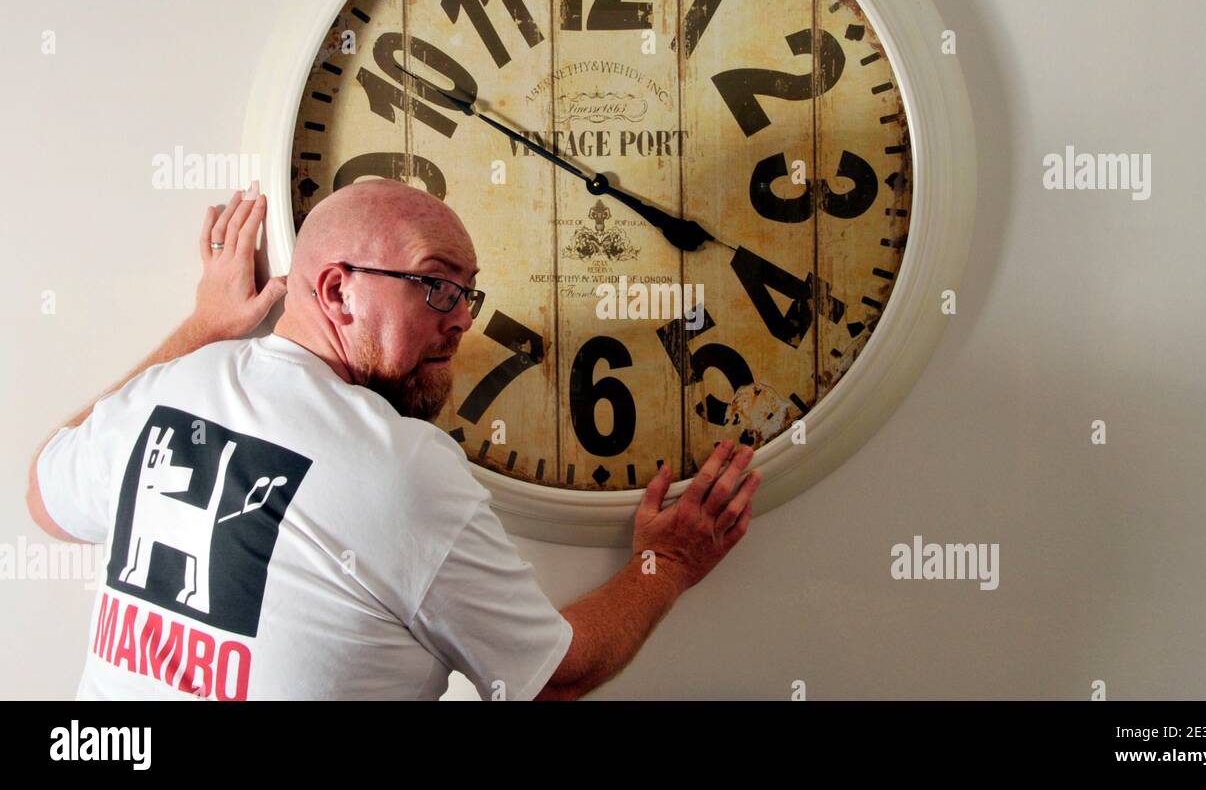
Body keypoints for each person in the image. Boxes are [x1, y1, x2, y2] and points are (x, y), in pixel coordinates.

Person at [26, 178, 760, 700]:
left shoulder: (169, 389)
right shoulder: (402, 467)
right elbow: (549, 677)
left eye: (468, 293)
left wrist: (205, 328)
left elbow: (44, 497)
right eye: (437, 285)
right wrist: (668, 563)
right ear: (338, 290)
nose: (463, 318)